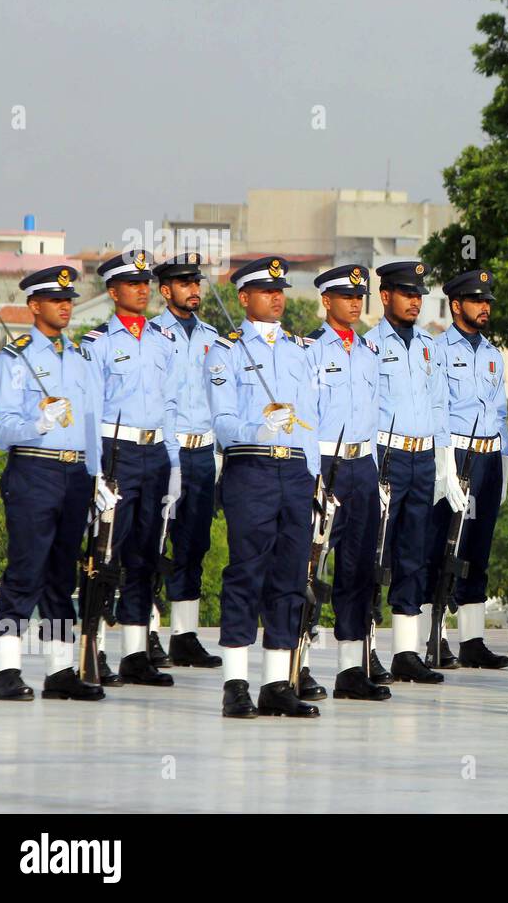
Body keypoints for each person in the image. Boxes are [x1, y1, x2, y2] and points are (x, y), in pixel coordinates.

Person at [0, 264, 109, 702]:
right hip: (34, 470)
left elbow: (93, 423)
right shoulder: (15, 359)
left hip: (75, 472)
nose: (65, 306)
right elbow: (4, 430)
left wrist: (96, 478)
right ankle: (6, 668)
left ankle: (59, 668)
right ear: (33, 306)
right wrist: (38, 422)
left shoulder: (80, 359)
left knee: (62, 575)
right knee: (26, 569)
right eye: (56, 300)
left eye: (69, 300)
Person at [208, 255, 321, 718]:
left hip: (295, 471)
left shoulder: (299, 349)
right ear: (244, 298)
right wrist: (260, 423)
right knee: (246, 573)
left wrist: (314, 477)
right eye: (266, 291)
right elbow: (222, 424)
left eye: (280, 291)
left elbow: (311, 420)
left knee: (289, 577)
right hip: (250, 469)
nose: (277, 298)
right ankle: (236, 683)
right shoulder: (226, 350)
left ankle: (277, 681)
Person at [83, 250, 183, 687]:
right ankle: (93, 650)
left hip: (155, 453)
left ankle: (136, 653)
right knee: (105, 555)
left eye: (146, 283)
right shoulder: (99, 343)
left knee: (145, 556)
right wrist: (94, 473)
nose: (142, 290)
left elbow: (172, 407)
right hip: (116, 453)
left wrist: (175, 464)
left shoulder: (164, 341)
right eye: (132, 284)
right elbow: (87, 412)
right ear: (113, 291)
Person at [363, 259, 461, 685]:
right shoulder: (369, 346)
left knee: (414, 556)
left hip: (423, 459)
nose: (415, 301)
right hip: (386, 458)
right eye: (407, 293)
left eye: (419, 295)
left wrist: (447, 464)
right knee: (373, 554)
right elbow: (364, 412)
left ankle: (406, 651)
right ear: (385, 296)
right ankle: (362, 648)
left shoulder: (428, 346)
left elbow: (440, 407)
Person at [305, 264, 390, 701]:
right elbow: (303, 419)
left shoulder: (370, 352)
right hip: (325, 465)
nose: (355, 303)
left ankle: (351, 669)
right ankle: (295, 662)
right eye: (346, 296)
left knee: (357, 570)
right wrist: (312, 474)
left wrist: (374, 473)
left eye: (360, 296)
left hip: (362, 468)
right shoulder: (310, 352)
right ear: (327, 301)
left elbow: (373, 420)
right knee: (309, 567)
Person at [427, 269, 508, 670]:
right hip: (456, 453)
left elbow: (501, 414)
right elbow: (438, 408)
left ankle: (473, 640)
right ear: (457, 305)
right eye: (477, 301)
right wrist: (444, 463)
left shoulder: (493, 354)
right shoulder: (438, 350)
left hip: (489, 457)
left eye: (488, 302)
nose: (485, 308)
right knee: (443, 545)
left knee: (478, 549)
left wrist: (505, 461)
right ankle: (436, 636)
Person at [148, 252, 222, 668]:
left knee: (194, 544)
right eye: (184, 283)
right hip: (165, 451)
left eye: (196, 283)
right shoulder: (154, 335)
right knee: (156, 542)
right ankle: (150, 631)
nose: (193, 290)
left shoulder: (213, 336)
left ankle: (185, 635)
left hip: (203, 452)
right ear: (166, 290)